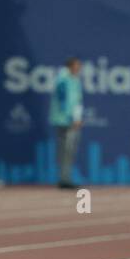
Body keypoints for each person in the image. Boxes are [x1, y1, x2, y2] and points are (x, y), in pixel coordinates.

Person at [50, 57, 84, 189]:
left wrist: (77, 117)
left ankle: (66, 177)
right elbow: (64, 101)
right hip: (65, 121)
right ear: (70, 66)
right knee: (66, 150)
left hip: (71, 119)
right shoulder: (63, 80)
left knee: (69, 151)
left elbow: (76, 101)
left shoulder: (74, 80)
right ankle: (64, 179)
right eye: (76, 65)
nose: (78, 68)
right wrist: (73, 118)